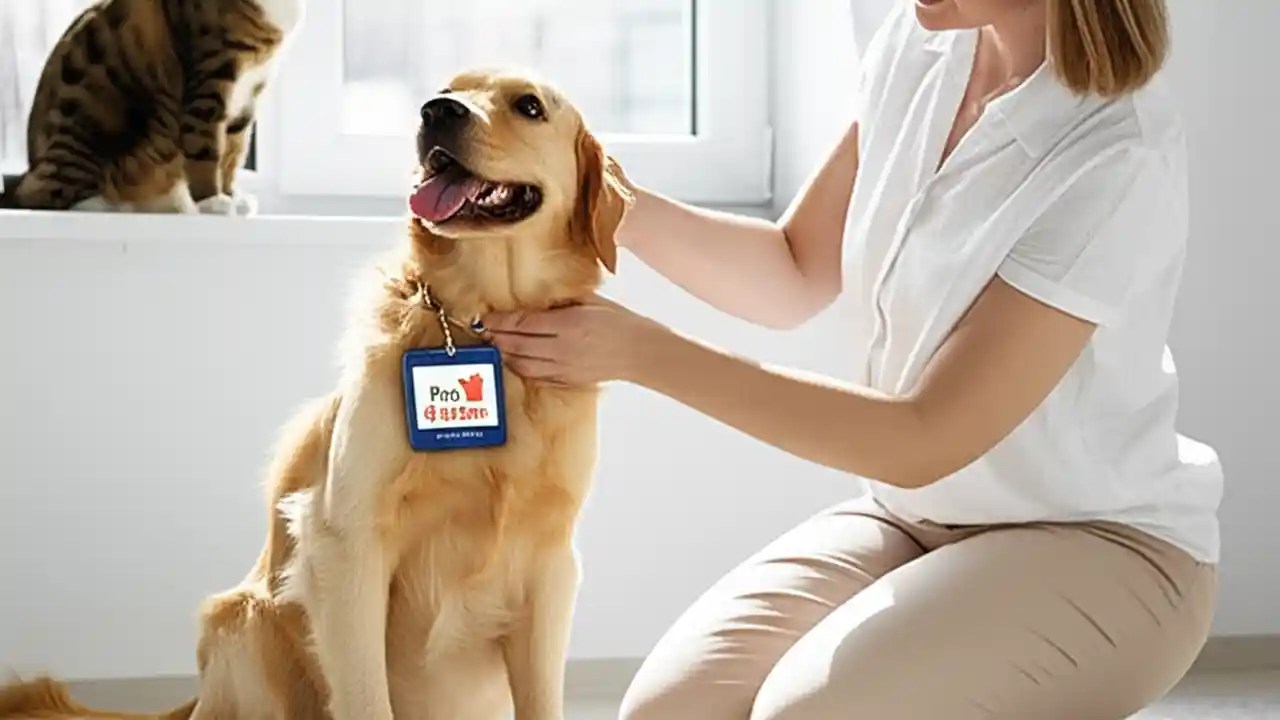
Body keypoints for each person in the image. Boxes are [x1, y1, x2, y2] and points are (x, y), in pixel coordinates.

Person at [484, 0, 1221, 716]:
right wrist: (601, 199)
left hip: (1099, 544)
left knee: (809, 713)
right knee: (669, 710)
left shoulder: (1116, 153)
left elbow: (924, 439)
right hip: (913, 521)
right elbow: (794, 268)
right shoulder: (923, 43)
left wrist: (643, 352)